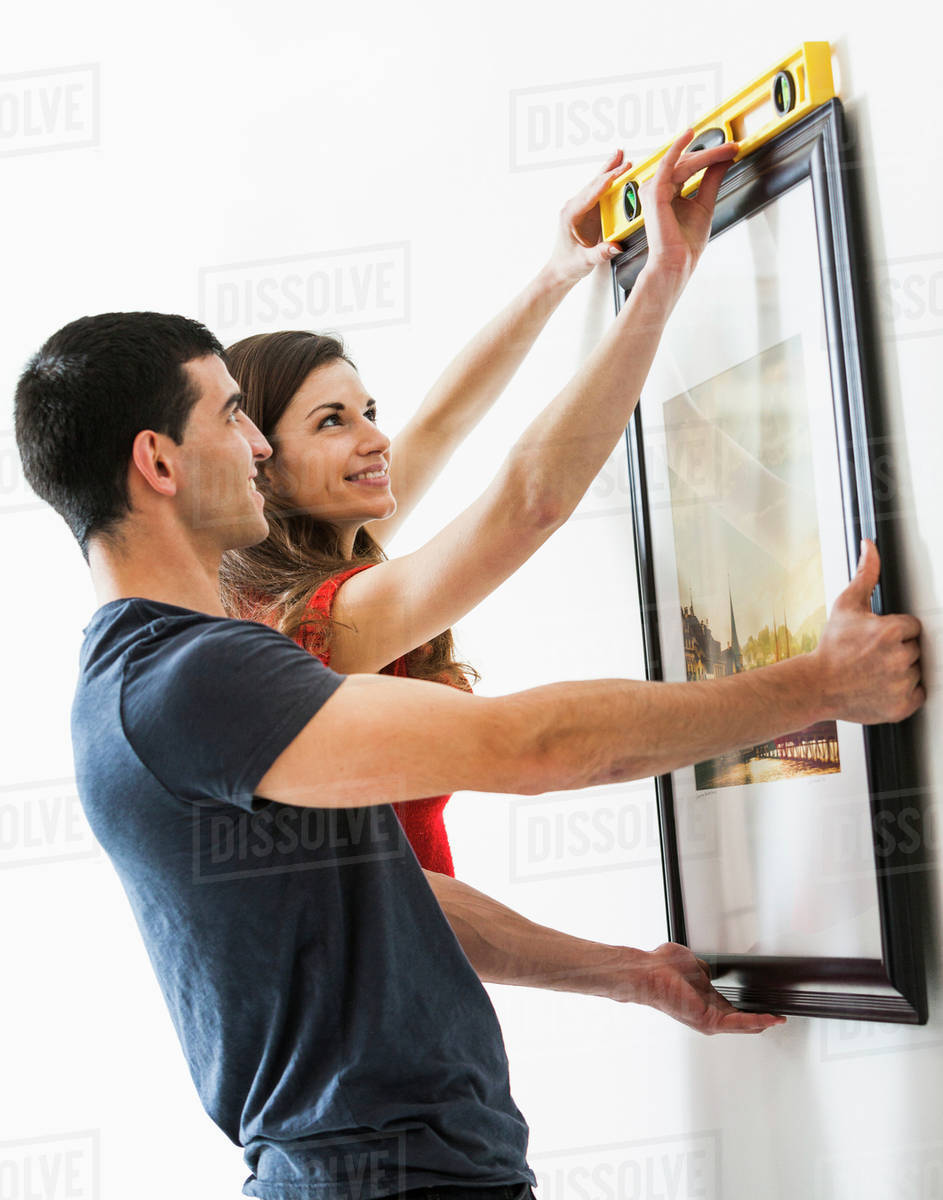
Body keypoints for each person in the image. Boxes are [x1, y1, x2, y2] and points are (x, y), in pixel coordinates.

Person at [14, 131, 924, 1200]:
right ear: (156, 461)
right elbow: (533, 735)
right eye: (238, 421)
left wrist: (632, 973)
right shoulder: (217, 672)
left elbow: (402, 898)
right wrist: (815, 686)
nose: (259, 446)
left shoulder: (183, 675)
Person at [218, 150, 637, 876]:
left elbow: (443, 420)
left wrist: (555, 274)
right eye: (330, 422)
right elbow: (530, 505)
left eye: (369, 411)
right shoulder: (313, 622)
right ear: (265, 464)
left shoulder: (325, 558)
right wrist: (657, 287)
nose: (376, 439)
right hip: (386, 977)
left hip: (422, 958)